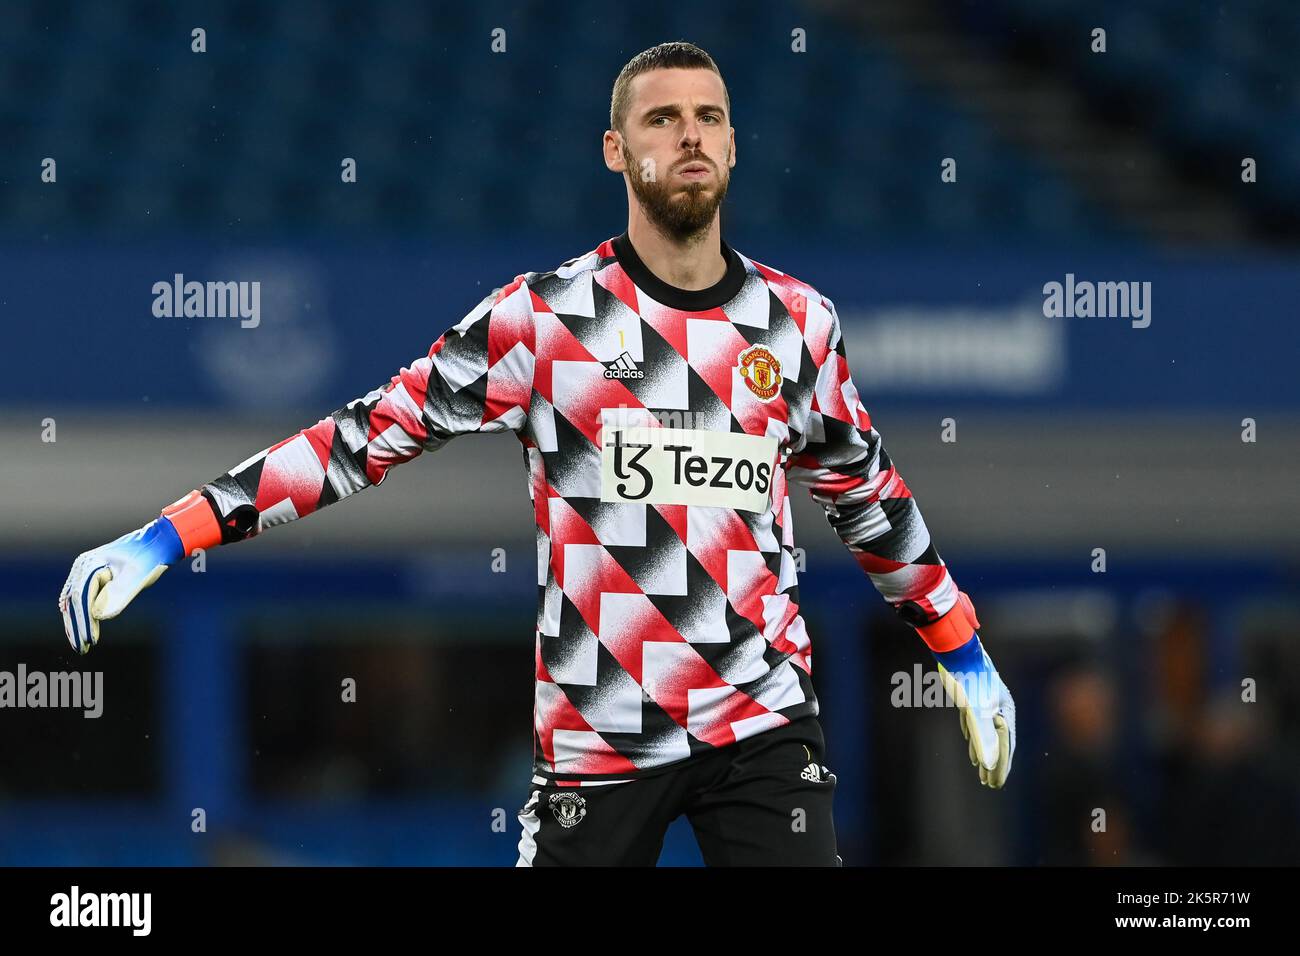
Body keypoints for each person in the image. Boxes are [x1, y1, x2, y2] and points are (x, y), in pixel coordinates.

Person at [58, 41, 1015, 866]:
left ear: (732, 145)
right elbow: (359, 439)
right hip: (602, 733)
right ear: (615, 149)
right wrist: (168, 536)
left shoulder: (798, 323)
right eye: (662, 119)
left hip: (761, 719)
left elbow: (867, 495)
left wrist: (962, 652)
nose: (689, 135)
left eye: (710, 117)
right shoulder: (545, 319)